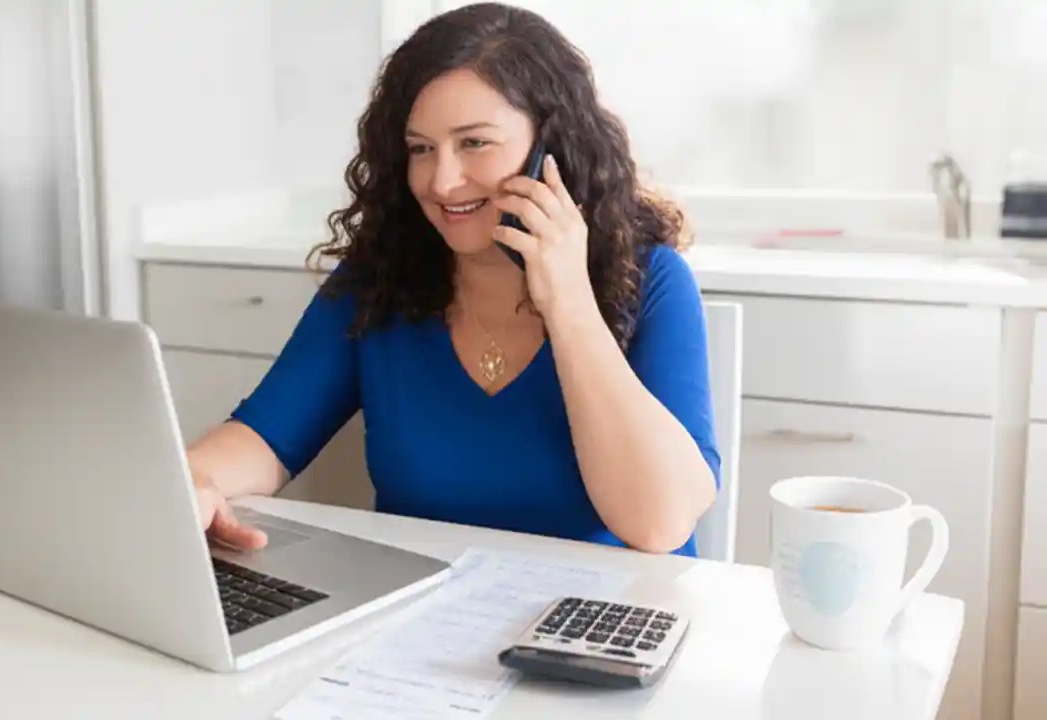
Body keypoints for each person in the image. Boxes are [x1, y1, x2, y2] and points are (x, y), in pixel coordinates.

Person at [185, 2, 720, 557]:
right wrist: (195, 480)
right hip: (427, 617)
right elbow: (266, 436)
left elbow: (659, 524)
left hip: (604, 622)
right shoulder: (380, 281)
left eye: (474, 143)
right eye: (421, 149)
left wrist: (567, 302)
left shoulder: (651, 279)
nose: (442, 181)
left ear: (549, 149)